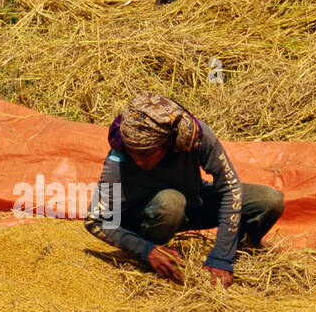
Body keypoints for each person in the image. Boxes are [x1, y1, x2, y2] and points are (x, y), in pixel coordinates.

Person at [84, 92, 284, 287]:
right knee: (171, 202)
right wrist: (145, 249)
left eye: (146, 153)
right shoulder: (119, 155)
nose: (137, 159)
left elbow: (230, 189)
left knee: (269, 200)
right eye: (132, 151)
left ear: (168, 143)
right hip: (147, 219)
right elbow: (97, 220)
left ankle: (242, 248)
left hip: (192, 202)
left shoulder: (196, 138)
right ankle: (156, 256)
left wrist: (222, 256)